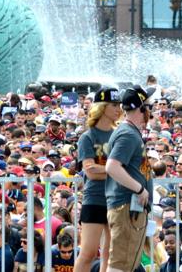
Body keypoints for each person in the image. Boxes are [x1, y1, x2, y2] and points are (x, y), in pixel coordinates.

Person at [103, 85, 152, 272]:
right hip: (126, 206)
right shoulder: (128, 134)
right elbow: (112, 166)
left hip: (128, 207)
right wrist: (139, 189)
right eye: (147, 106)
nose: (149, 110)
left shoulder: (130, 132)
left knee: (126, 263)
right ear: (140, 108)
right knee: (120, 265)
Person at [75, 87, 119, 272]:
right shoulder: (88, 136)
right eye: (114, 105)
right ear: (102, 107)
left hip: (116, 198)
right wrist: (116, 170)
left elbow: (95, 168)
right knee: (88, 252)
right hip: (94, 198)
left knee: (111, 253)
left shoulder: (119, 133)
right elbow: (90, 171)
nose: (118, 109)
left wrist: (105, 170)